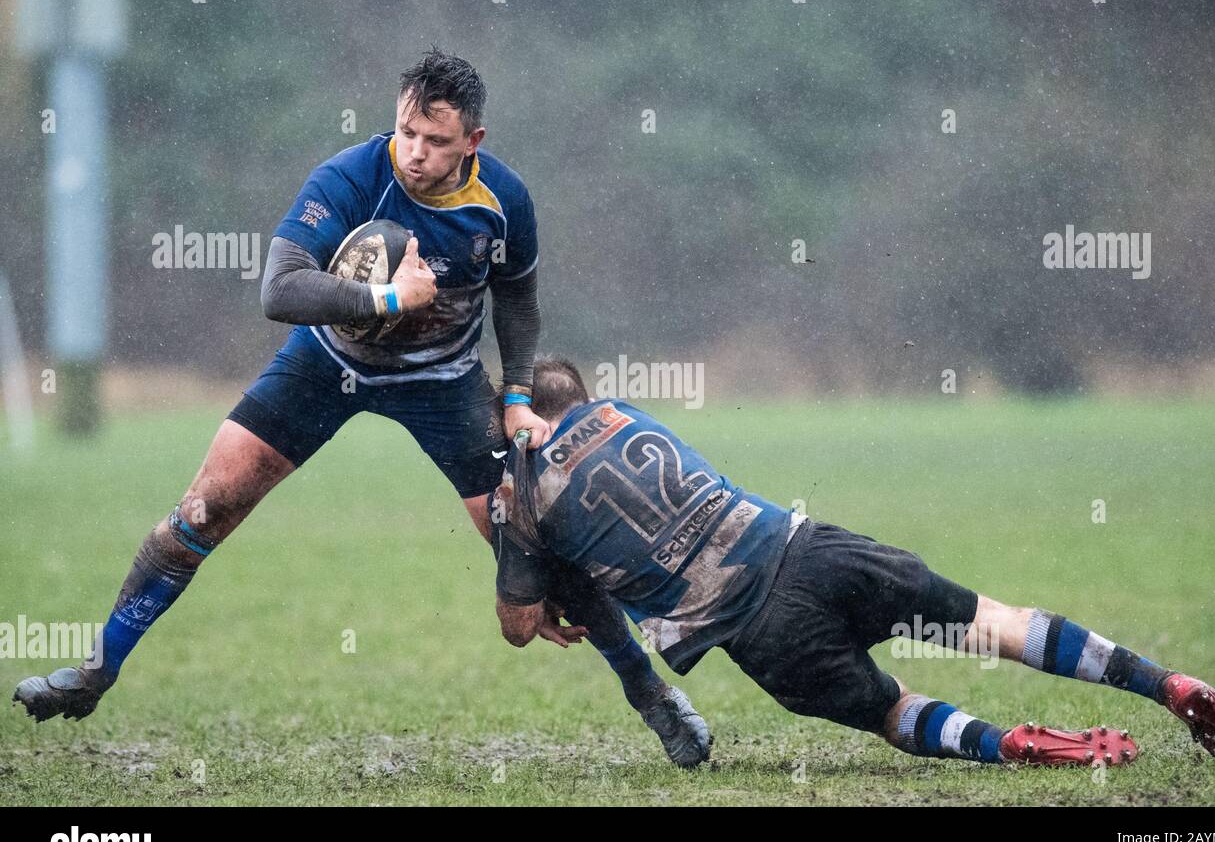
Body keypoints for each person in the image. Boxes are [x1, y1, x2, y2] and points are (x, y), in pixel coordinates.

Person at [13, 51, 708, 767]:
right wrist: (386, 301)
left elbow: (519, 301)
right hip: (325, 366)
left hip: (445, 384)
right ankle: (97, 670)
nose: (415, 152)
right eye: (407, 131)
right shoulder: (350, 177)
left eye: (436, 141)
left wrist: (519, 398)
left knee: (535, 553)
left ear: (474, 140)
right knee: (204, 510)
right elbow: (279, 290)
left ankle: (652, 696)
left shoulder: (505, 201)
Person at [490, 358, 1215, 767]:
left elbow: (520, 626)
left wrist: (534, 561)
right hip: (819, 551)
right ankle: (1163, 682)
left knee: (894, 711)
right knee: (996, 623)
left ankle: (1009, 744)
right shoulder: (627, 413)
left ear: (518, 422)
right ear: (583, 397)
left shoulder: (523, 494)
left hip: (764, 634)